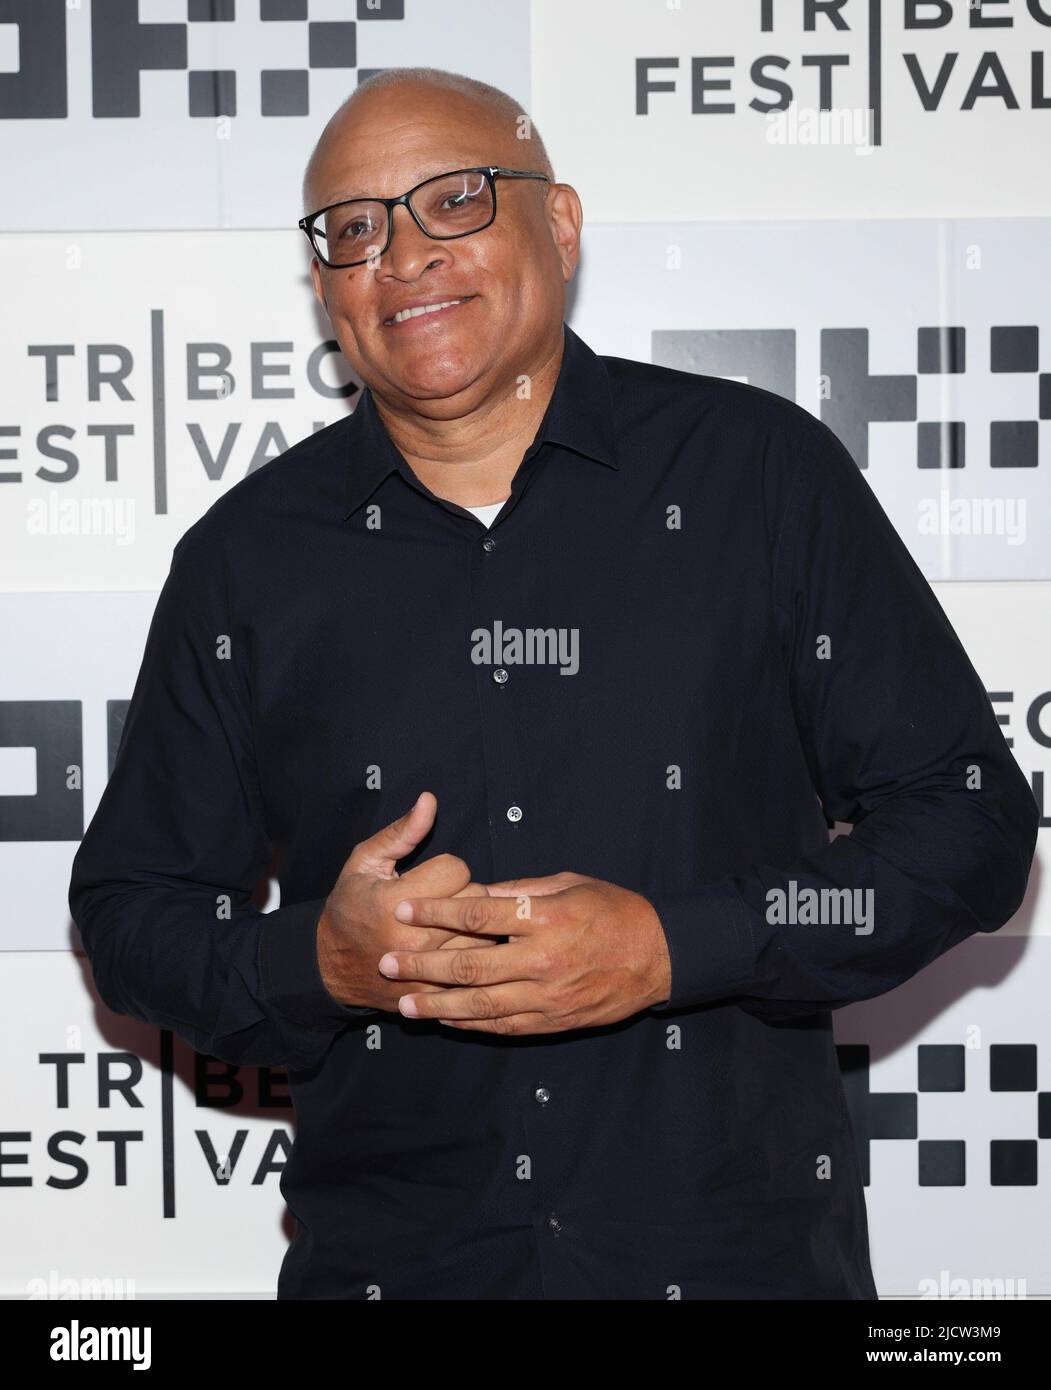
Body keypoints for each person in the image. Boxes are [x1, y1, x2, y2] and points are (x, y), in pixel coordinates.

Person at [69, 67, 1039, 1300]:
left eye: (454, 201)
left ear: (560, 224)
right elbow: (132, 910)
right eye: (355, 228)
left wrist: (672, 946)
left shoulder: (757, 479)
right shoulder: (245, 562)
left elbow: (969, 825)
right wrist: (318, 959)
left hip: (731, 1267)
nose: (404, 256)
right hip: (399, 1272)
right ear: (325, 286)